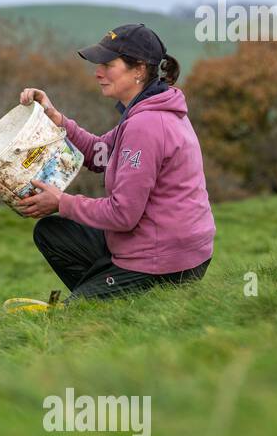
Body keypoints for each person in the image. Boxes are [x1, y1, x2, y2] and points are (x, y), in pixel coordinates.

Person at [14, 23, 215, 301]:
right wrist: (56, 119)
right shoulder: (152, 107)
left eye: (108, 64)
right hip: (175, 250)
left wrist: (62, 202)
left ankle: (107, 296)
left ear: (140, 69)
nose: (98, 72)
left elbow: (123, 214)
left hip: (165, 262)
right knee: (52, 232)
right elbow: (100, 153)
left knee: (78, 316)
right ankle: (107, 290)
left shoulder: (146, 124)